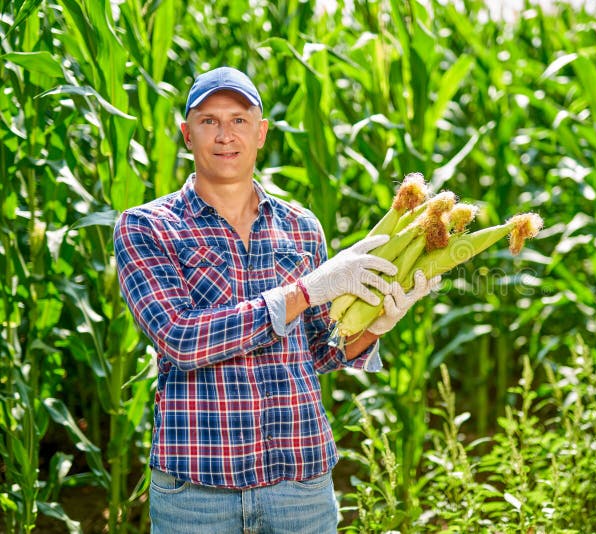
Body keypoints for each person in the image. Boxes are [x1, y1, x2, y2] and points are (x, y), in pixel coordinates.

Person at [113, 66, 440, 533]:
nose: (225, 135)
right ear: (187, 134)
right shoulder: (148, 226)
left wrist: (375, 326)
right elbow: (180, 339)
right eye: (209, 121)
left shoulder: (301, 226)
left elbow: (320, 351)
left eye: (239, 120)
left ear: (261, 132)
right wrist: (304, 292)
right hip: (198, 491)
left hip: (300, 488)